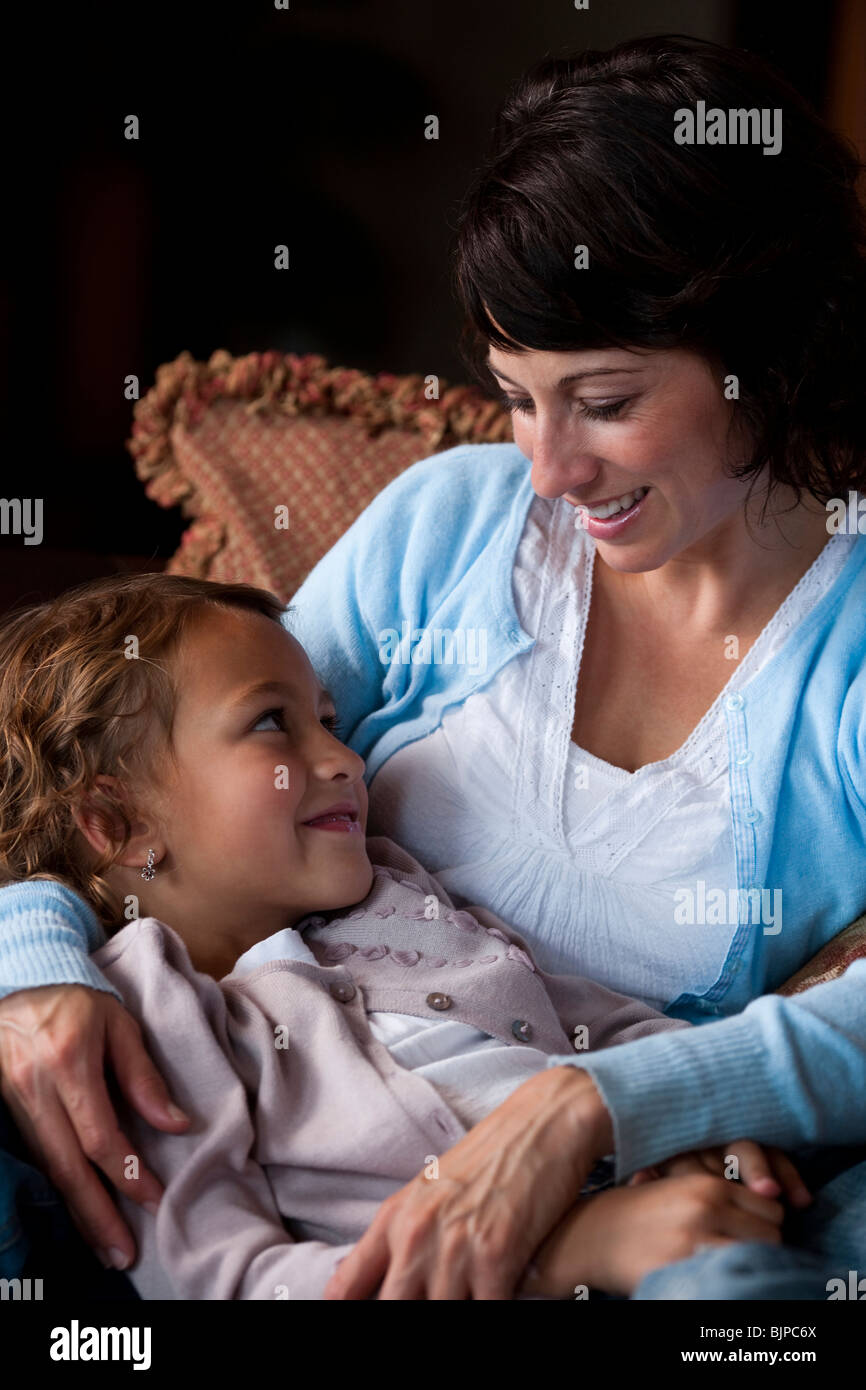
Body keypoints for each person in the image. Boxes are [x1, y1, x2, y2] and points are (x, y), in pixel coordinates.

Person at [1, 33, 865, 1299]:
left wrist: (606, 1104)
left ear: (772, 363)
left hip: (602, 1213)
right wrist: (34, 968)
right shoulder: (449, 523)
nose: (547, 470)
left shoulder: (841, 644)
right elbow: (126, 757)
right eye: (516, 395)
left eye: (606, 400)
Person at [0, 572, 798, 1299]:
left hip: (677, 1213)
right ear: (118, 823)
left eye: (327, 721)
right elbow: (224, 1281)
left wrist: (687, 1107)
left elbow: (596, 1016)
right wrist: (565, 1255)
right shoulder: (145, 1014)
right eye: (273, 724)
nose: (346, 757)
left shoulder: (395, 890)